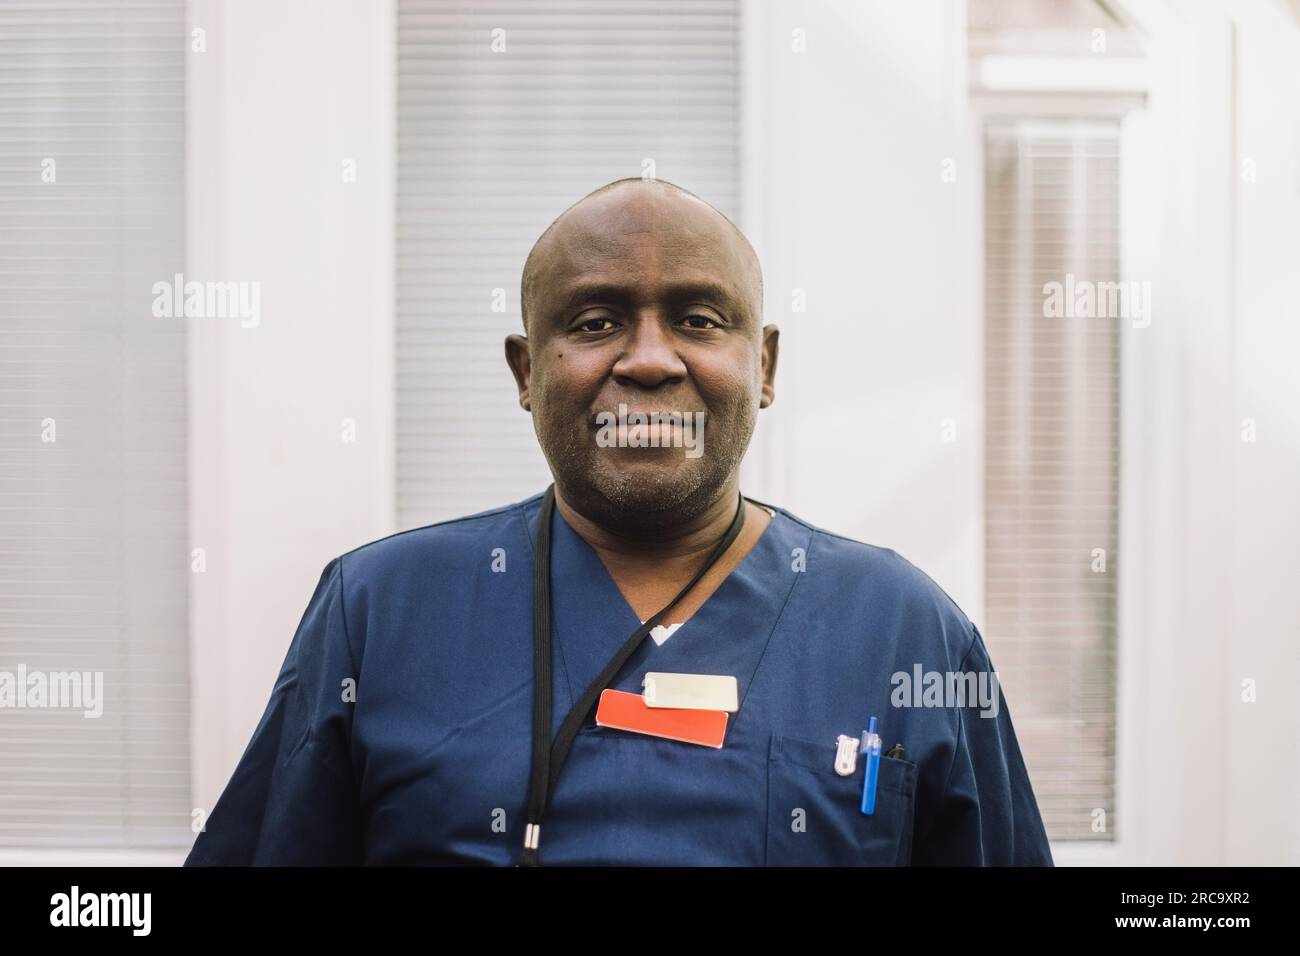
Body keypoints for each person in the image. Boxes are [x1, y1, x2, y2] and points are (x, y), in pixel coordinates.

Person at [185, 178, 1053, 866]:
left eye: (698, 320)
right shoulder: (379, 611)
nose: (647, 359)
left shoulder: (903, 630)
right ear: (527, 371)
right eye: (596, 323)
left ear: (765, 365)